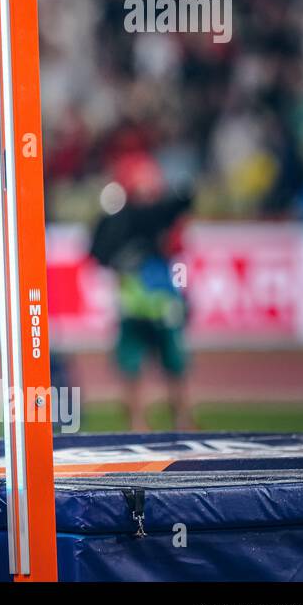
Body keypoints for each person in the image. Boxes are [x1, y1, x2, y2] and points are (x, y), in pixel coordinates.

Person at [88, 153, 194, 431]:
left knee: (173, 364)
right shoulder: (122, 220)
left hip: (160, 304)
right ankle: (140, 423)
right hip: (136, 305)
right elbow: (98, 252)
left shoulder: (160, 217)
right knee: (134, 366)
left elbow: (178, 244)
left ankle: (180, 419)